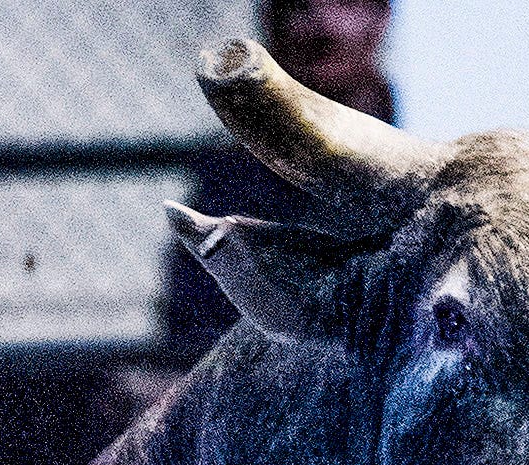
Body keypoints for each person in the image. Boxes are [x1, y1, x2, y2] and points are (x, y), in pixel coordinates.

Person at [157, 0, 395, 364]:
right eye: (298, 7)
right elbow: (194, 333)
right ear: (271, 23)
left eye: (345, 4)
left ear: (380, 20)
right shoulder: (229, 180)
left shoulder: (405, 185)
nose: (321, 24)